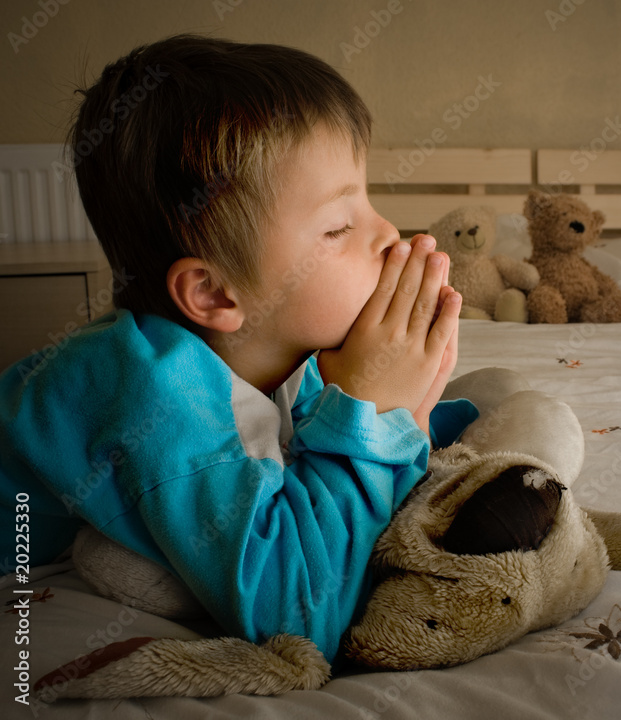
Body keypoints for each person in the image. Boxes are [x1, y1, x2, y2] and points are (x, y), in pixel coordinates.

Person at [0, 34, 477, 662]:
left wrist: (409, 413)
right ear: (215, 293)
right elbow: (300, 612)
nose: (388, 233)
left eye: (367, 201)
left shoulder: (284, 353)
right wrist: (371, 407)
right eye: (338, 226)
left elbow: (316, 460)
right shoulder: (157, 397)